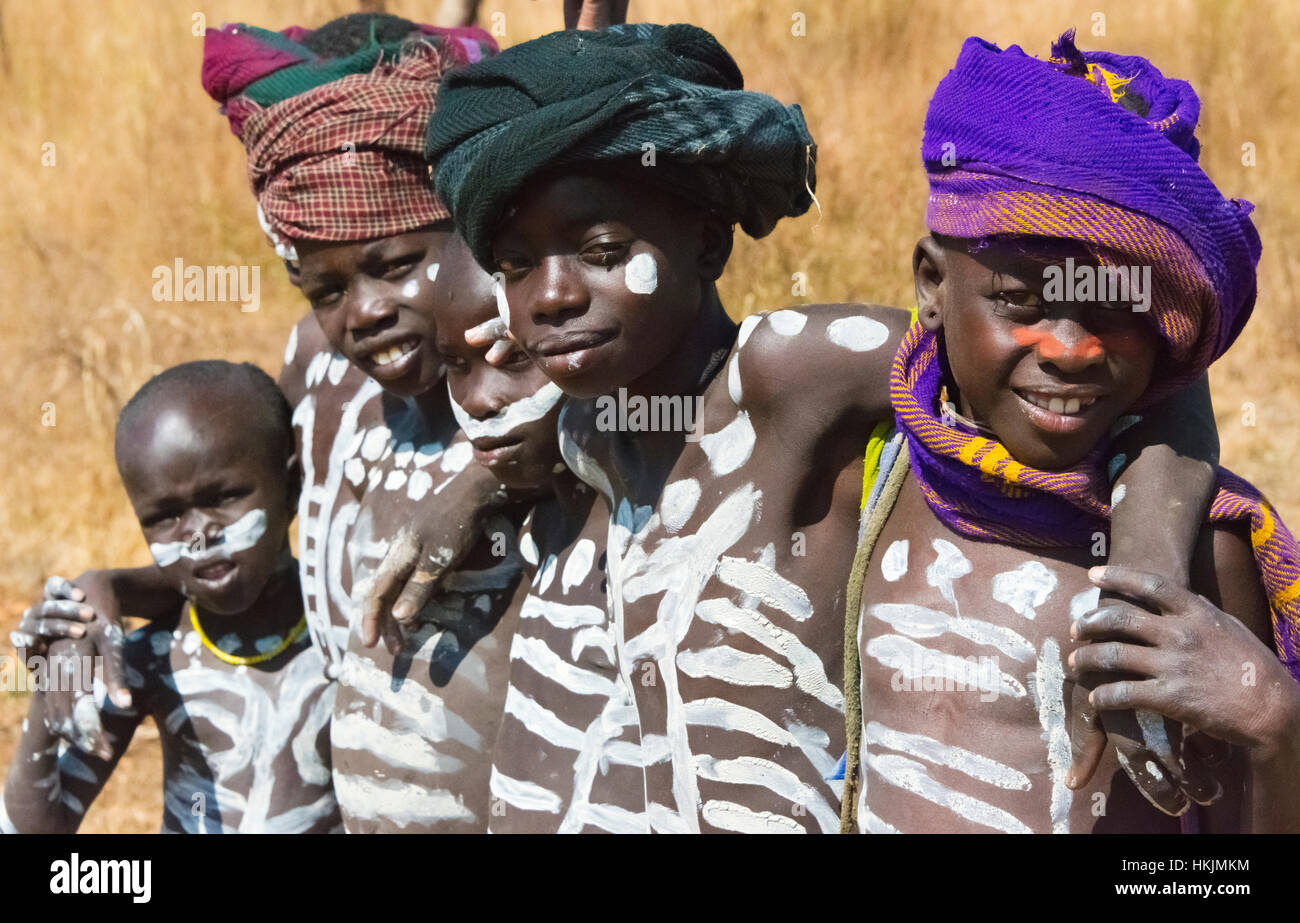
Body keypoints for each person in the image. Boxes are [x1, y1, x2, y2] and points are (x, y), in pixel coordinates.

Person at [427, 23, 1226, 832]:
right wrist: (481, 477)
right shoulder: (589, 439)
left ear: (706, 243)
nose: (553, 295)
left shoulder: (786, 375)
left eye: (599, 249)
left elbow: (1143, 377)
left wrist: (1145, 581)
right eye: (517, 265)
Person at [844, 31, 1299, 833]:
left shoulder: (1199, 564)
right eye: (1020, 303)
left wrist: (1273, 725)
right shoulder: (872, 480)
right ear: (930, 283)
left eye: (1116, 315)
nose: (1070, 348)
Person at [2, 361, 339, 833]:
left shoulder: (346, 634)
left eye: (223, 497)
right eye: (164, 517)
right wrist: (48, 695)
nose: (198, 538)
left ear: (292, 487)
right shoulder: (156, 657)